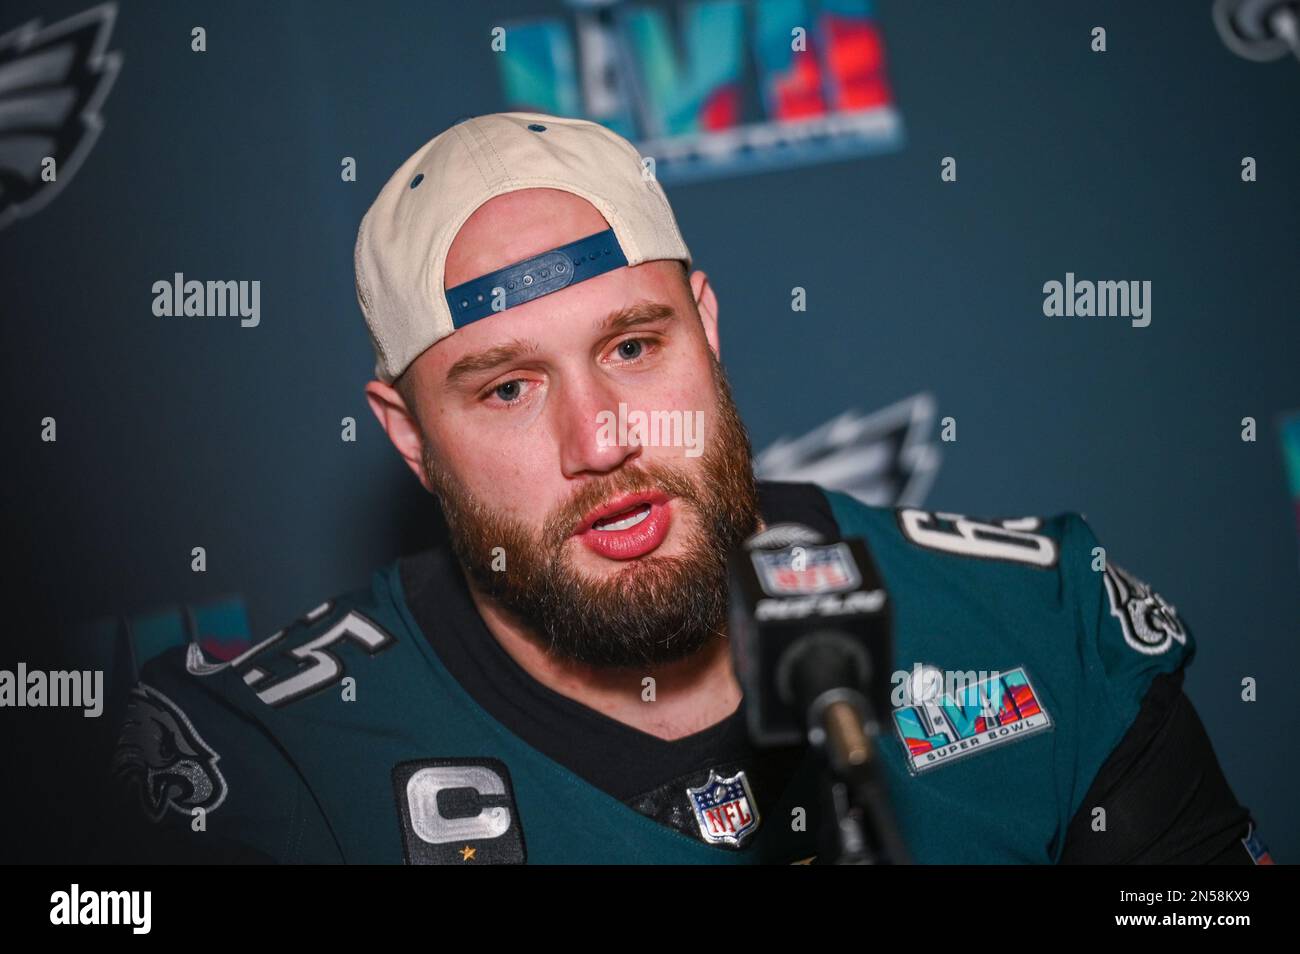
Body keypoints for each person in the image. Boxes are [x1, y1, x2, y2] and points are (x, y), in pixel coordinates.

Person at [109, 112, 1268, 864]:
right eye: (506, 388)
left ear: (704, 330)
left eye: (630, 347)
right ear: (410, 438)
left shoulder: (1040, 625)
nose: (600, 439)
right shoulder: (281, 766)